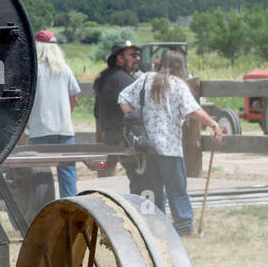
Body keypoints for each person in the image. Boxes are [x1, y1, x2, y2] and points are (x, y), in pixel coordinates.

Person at [118, 49, 222, 238]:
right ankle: (183, 225)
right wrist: (213, 124)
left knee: (150, 187)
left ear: (160, 63)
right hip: (170, 147)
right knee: (177, 188)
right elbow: (194, 111)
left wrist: (134, 120)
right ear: (180, 67)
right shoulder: (178, 85)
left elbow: (123, 98)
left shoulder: (145, 79)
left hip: (146, 146)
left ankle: (152, 225)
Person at [27, 29, 81, 198]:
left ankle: (43, 205)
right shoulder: (64, 69)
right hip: (64, 129)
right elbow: (74, 96)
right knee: (68, 172)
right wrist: (66, 115)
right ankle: (71, 204)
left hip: (39, 129)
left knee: (39, 173)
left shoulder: (33, 70)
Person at [93, 40, 145, 193]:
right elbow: (137, 111)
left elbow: (97, 112)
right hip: (125, 138)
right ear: (120, 59)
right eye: (133, 55)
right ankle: (140, 210)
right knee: (142, 179)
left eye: (138, 55)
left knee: (136, 178)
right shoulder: (125, 80)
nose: (138, 58)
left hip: (112, 135)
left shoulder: (106, 78)